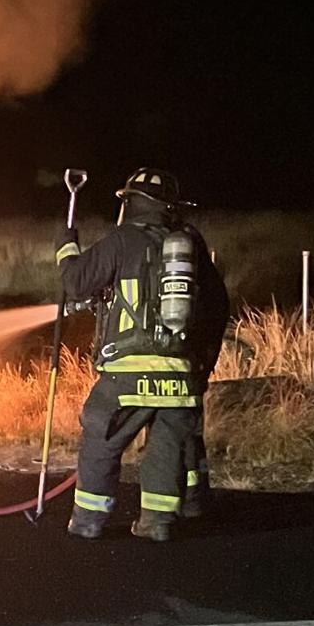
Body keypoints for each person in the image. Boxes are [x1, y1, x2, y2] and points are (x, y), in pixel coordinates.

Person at [55, 168, 228, 542]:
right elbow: (217, 309)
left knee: (101, 439)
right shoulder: (191, 245)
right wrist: (200, 368)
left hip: (128, 375)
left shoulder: (122, 240)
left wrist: (66, 245)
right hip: (180, 376)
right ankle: (158, 522)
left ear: (130, 202)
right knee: (167, 448)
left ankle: (88, 521)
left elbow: (75, 282)